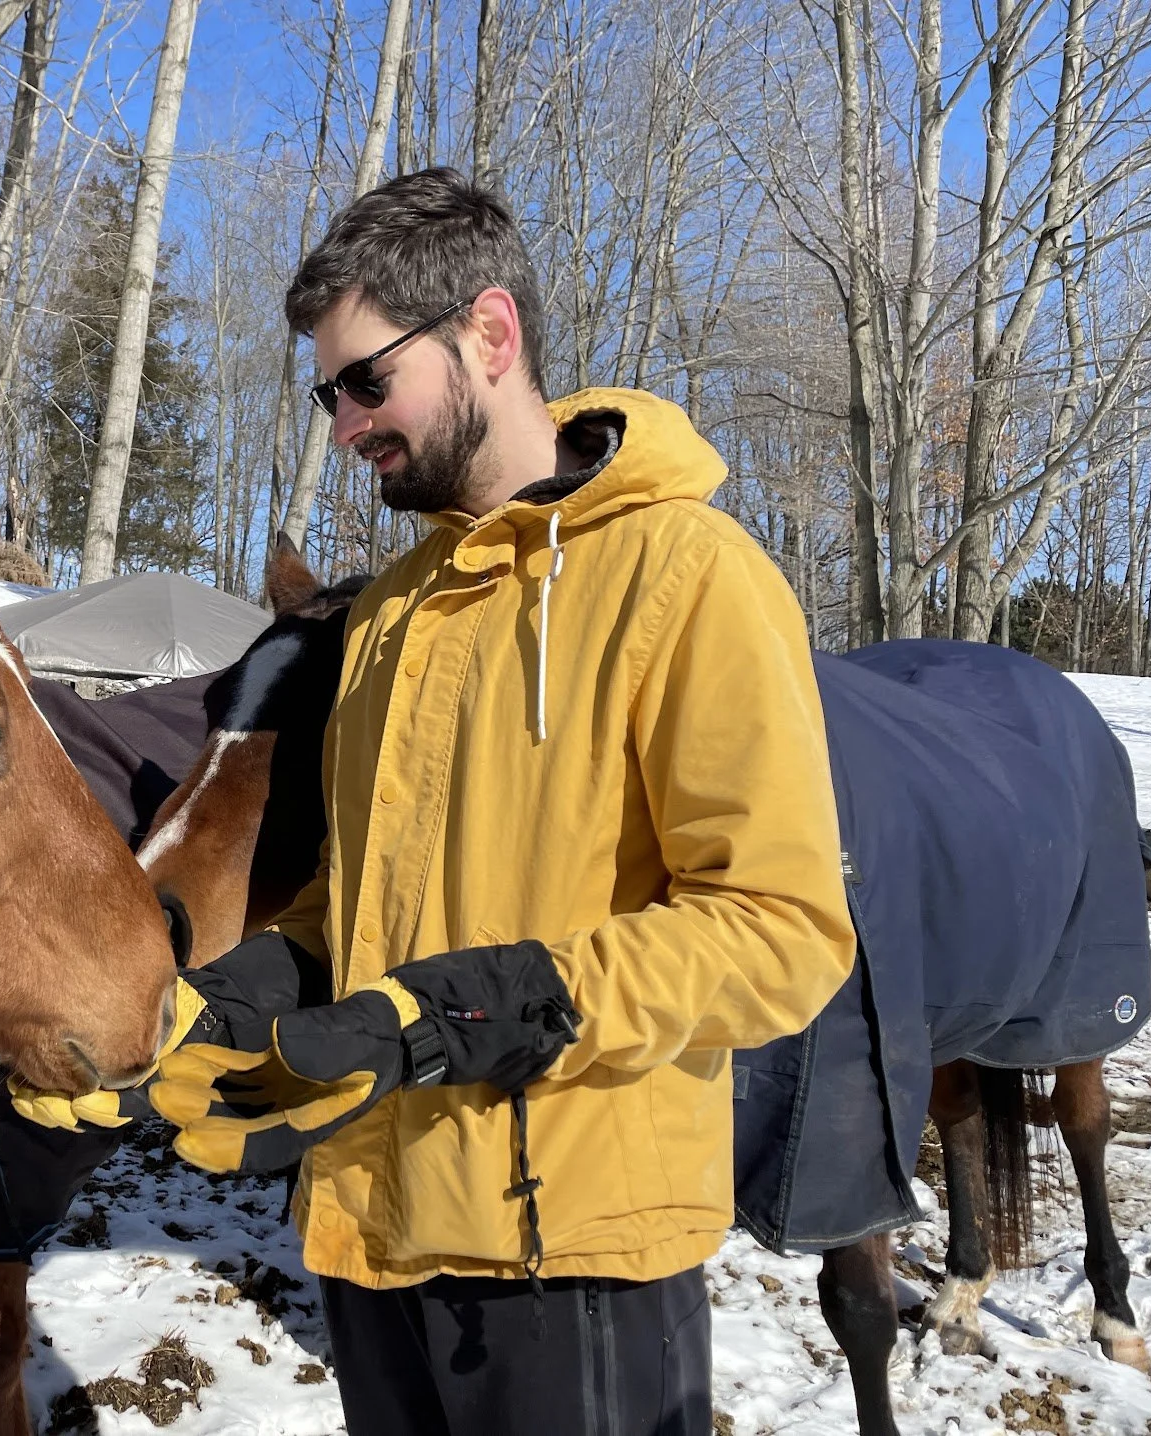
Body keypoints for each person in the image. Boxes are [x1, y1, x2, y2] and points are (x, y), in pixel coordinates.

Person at [149, 167, 857, 1436]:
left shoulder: (687, 574)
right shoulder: (390, 615)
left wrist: (467, 1010)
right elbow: (364, 897)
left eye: (369, 380)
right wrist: (267, 980)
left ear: (489, 333)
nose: (344, 423)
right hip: (371, 1231)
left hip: (569, 1256)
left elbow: (780, 930)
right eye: (327, 392)